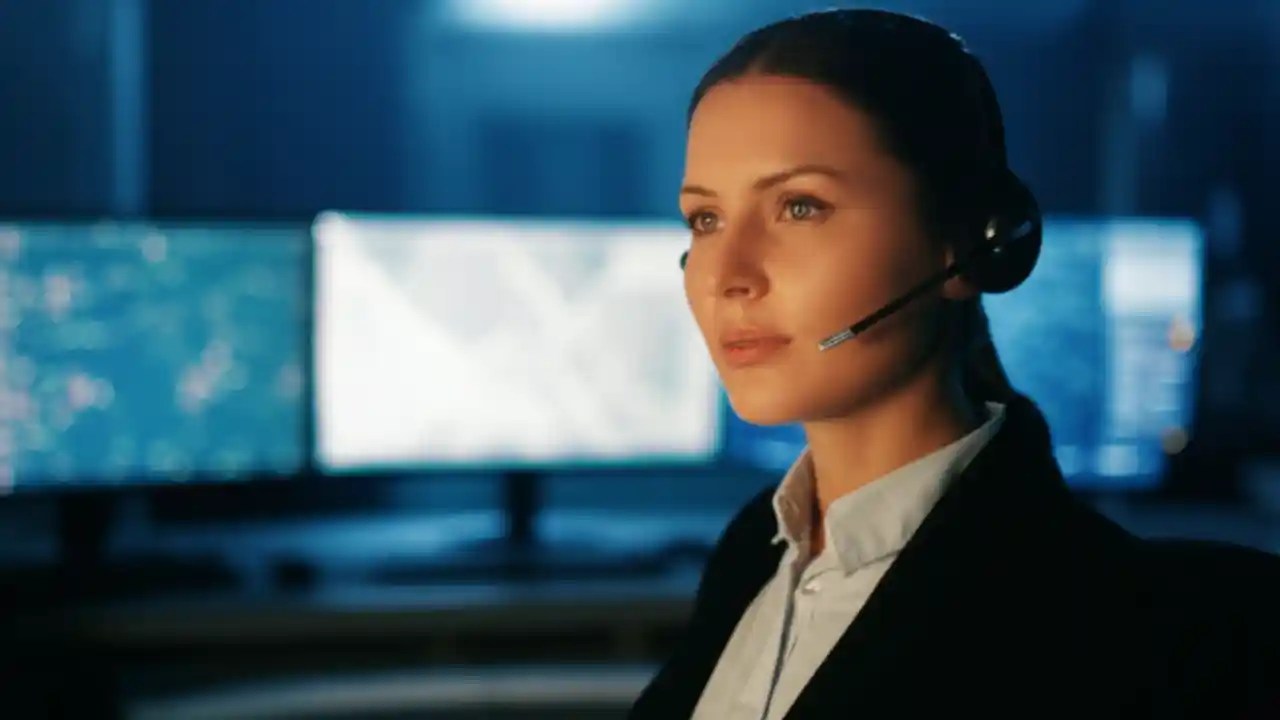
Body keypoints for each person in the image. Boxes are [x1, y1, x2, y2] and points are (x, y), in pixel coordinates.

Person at [629, 8, 1280, 718]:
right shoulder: (754, 553)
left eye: (799, 206)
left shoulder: (1129, 634)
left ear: (974, 241)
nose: (728, 274)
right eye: (705, 219)